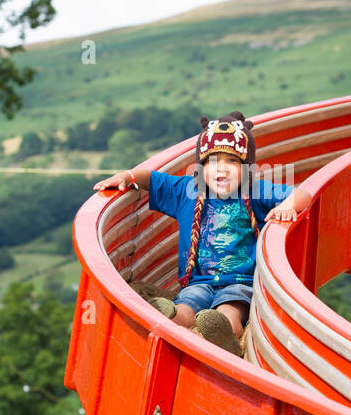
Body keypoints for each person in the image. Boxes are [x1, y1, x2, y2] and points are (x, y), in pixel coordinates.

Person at [93, 111, 312, 356]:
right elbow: (152, 180)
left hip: (241, 283)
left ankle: (225, 336)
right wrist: (127, 176)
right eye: (213, 161)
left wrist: (286, 206)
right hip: (198, 283)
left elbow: (303, 194)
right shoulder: (188, 190)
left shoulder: (256, 190)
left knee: (229, 312)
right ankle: (170, 316)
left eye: (232, 162)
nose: (222, 169)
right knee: (187, 305)